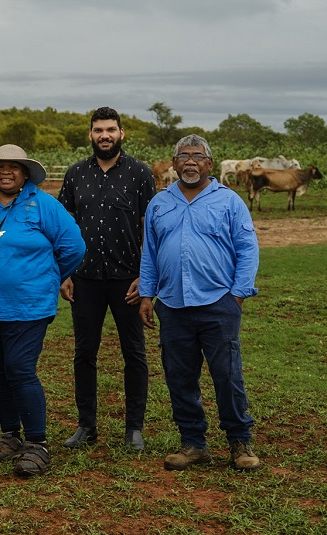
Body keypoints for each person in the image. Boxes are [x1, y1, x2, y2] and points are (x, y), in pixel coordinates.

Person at [0, 144, 85, 477]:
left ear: (25, 173)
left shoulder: (44, 204)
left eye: (13, 166)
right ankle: (10, 434)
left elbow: (74, 247)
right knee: (0, 372)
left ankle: (37, 444)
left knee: (19, 368)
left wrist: (49, 279)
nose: (5, 171)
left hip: (30, 307)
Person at [139, 135, 262, 471]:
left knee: (227, 375)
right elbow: (149, 253)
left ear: (209, 163)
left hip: (218, 303)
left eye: (197, 156)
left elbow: (247, 249)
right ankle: (193, 444)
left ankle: (240, 443)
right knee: (179, 376)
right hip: (173, 305)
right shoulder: (159, 203)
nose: (190, 161)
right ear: (173, 163)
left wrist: (238, 293)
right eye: (183, 156)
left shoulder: (229, 202)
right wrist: (147, 295)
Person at [57, 107, 158, 451]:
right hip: (84, 278)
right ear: (90, 134)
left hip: (128, 279)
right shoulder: (75, 175)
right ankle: (87, 426)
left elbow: (151, 229)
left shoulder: (140, 174)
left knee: (134, 353)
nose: (105, 135)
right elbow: (63, 228)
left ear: (121, 133)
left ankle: (134, 428)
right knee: (85, 353)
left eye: (111, 129)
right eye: (99, 130)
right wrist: (65, 273)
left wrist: (146, 277)